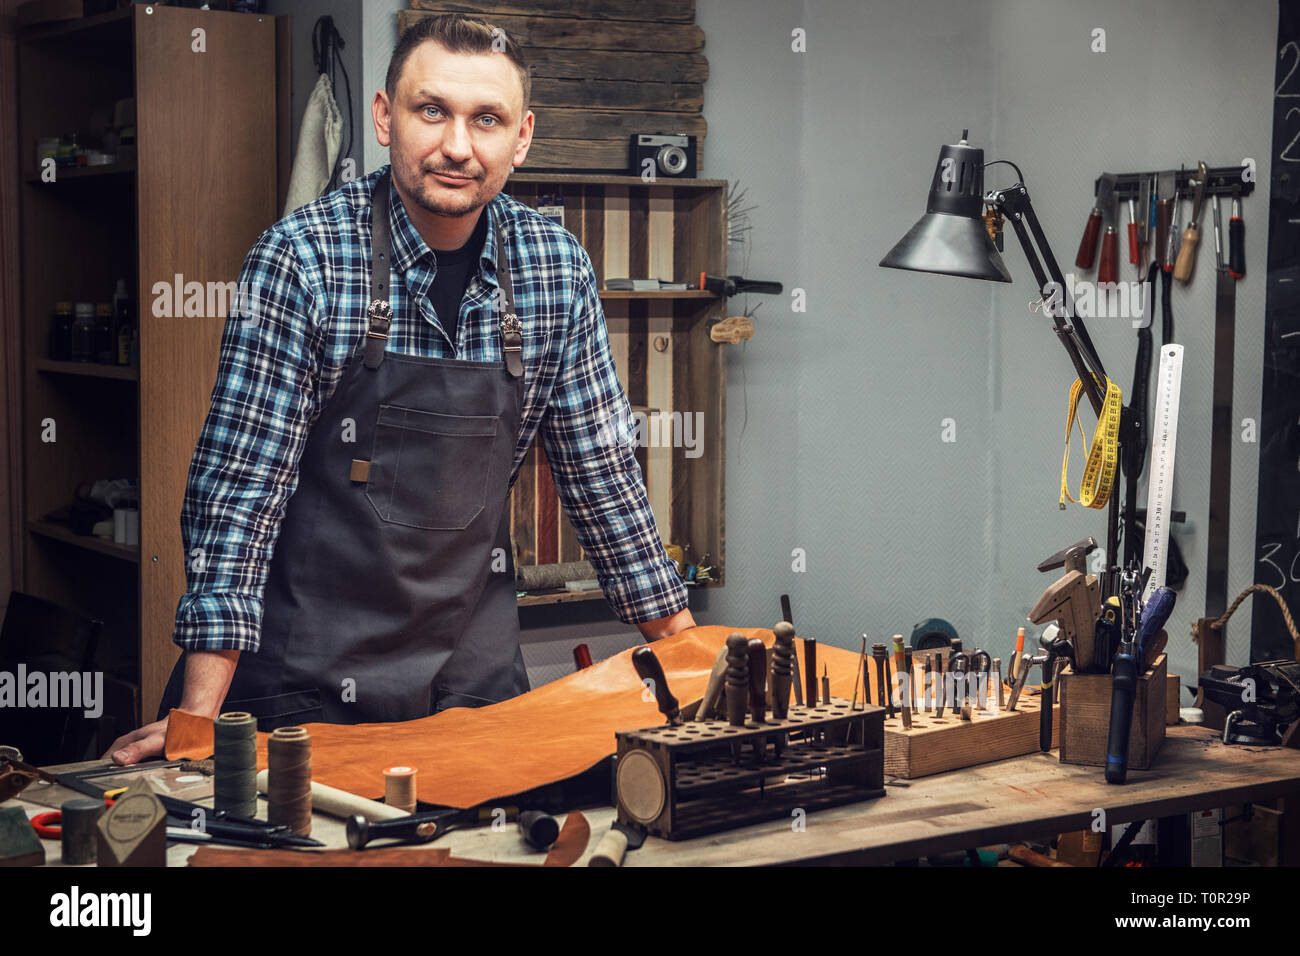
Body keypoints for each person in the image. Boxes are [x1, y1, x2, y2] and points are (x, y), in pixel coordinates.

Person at [106, 13, 693, 765]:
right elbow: (239, 493)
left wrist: (689, 665)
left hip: (469, 684)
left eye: (487, 119)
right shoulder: (303, 260)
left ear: (521, 138)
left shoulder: (556, 269)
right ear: (385, 118)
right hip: (302, 684)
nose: (458, 146)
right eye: (432, 111)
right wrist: (198, 716)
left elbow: (603, 479)